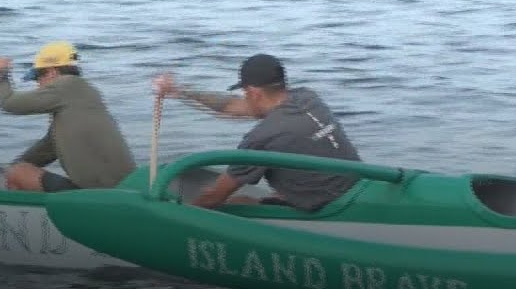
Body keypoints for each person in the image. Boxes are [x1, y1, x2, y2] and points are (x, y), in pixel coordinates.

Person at [155, 53, 362, 211]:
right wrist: (180, 92)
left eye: (245, 92)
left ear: (253, 93)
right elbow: (231, 106)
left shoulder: (263, 137)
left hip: (328, 208)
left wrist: (177, 217)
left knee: (237, 203)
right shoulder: (307, 98)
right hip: (357, 187)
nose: (244, 98)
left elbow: (215, 196)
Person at [0, 41, 136, 192]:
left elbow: (9, 103)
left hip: (99, 195)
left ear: (52, 72)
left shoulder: (67, 85)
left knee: (18, 173)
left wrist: (2, 73)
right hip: (121, 190)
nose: (38, 85)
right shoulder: (84, 96)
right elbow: (47, 149)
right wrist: (13, 166)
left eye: (37, 77)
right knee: (17, 169)